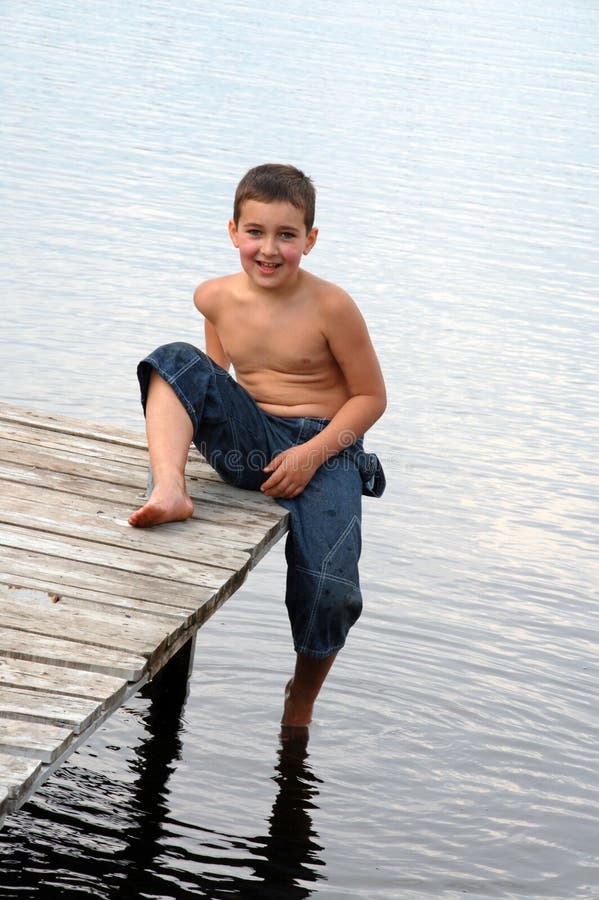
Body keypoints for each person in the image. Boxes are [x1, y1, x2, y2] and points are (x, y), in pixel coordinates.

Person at [129, 163, 386, 730]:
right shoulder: (214, 297)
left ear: (310, 240)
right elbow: (209, 383)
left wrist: (311, 452)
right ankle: (170, 487)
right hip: (253, 443)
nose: (268, 250)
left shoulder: (332, 307)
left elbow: (371, 398)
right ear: (233, 231)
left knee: (331, 585)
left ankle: (302, 697)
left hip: (325, 448)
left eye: (286, 236)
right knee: (174, 360)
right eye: (256, 233)